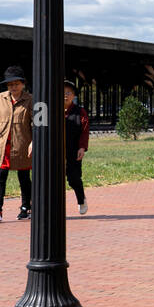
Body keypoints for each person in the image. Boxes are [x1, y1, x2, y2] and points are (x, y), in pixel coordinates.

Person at [0, 66, 33, 222]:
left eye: (16, 84)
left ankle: (26, 208)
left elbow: (36, 124)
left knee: (24, 176)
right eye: (10, 84)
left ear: (23, 83)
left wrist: (34, 142)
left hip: (22, 144)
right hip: (3, 145)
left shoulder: (31, 100)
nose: (13, 87)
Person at [62, 80, 90, 215]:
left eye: (68, 93)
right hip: (56, 150)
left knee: (73, 178)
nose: (65, 96)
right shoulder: (52, 110)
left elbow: (84, 130)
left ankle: (81, 199)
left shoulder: (80, 112)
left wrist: (82, 148)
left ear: (73, 96)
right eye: (62, 93)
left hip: (73, 149)